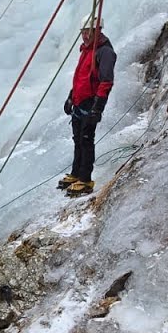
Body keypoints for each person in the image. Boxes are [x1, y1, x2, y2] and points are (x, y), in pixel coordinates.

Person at [59, 13, 117, 197]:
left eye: (88, 31)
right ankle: (76, 173)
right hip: (80, 101)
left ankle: (85, 179)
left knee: (86, 139)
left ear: (97, 30)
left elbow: (106, 81)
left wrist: (97, 108)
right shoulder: (86, 49)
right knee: (78, 139)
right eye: (83, 32)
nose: (84, 35)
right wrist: (71, 97)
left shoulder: (104, 52)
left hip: (91, 102)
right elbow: (81, 78)